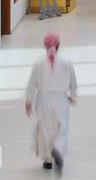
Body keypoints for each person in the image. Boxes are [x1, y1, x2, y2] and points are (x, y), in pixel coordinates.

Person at [24, 33, 78, 171]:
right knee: (60, 126)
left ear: (44, 46)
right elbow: (73, 81)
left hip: (43, 101)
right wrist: (73, 95)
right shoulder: (67, 62)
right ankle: (57, 148)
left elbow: (32, 83)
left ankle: (47, 159)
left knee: (44, 129)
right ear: (59, 46)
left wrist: (29, 101)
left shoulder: (38, 63)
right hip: (61, 100)